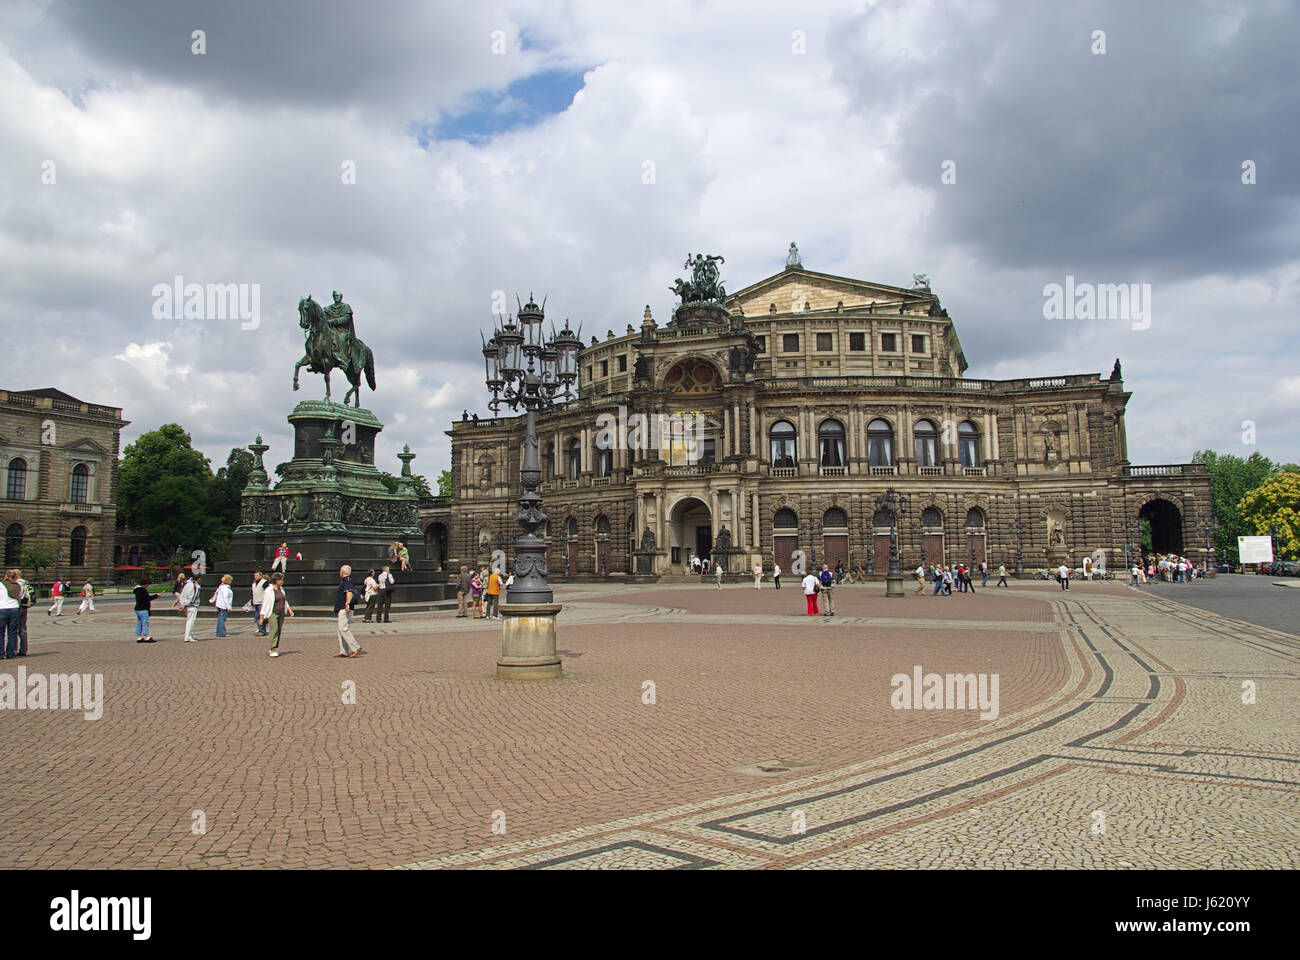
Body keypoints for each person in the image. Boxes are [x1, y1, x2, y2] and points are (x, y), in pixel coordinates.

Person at [260, 572, 293, 657]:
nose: (282, 581)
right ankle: (272, 648)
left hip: (281, 612)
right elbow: (265, 604)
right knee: (274, 630)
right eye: (280, 580)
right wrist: (261, 617)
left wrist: (289, 609)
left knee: (279, 630)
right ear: (276, 580)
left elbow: (284, 600)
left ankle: (275, 646)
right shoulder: (269, 590)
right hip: (273, 612)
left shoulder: (281, 589)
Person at [333, 565, 361, 658]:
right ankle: (344, 651)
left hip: (344, 608)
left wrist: (347, 603)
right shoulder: (347, 580)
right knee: (340, 630)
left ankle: (355, 647)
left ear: (342, 572)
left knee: (343, 629)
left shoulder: (347, 581)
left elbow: (349, 592)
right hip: (343, 608)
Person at [133, 578, 164, 642]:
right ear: (145, 584)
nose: (148, 586)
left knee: (140, 623)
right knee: (145, 623)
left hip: (138, 609)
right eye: (147, 584)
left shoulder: (137, 590)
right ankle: (146, 636)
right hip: (143, 609)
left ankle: (139, 637)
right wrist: (156, 595)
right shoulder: (142, 590)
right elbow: (148, 599)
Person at [0, 570, 21, 659]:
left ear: (5, 576)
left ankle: (1, 653)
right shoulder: (17, 586)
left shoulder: (1, 585)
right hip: (14, 608)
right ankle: (10, 653)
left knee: (1, 633)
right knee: (12, 632)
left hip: (2, 609)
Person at [15, 570, 34, 656]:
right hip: (24, 607)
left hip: (17, 607)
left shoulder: (16, 584)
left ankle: (13, 650)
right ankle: (23, 649)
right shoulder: (26, 583)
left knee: (13, 630)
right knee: (23, 629)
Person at [180, 572, 202, 641]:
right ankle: (188, 636)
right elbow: (192, 597)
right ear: (198, 579)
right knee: (190, 622)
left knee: (189, 621)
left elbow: (183, 594)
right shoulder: (195, 586)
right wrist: (185, 604)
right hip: (192, 605)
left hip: (187, 605)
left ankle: (191, 635)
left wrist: (183, 603)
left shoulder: (187, 584)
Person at [250, 571, 270, 636]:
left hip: (262, 602)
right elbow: (253, 593)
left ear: (261, 576)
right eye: (254, 575)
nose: (255, 577)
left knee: (261, 617)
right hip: (256, 602)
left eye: (257, 575)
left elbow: (268, 592)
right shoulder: (254, 583)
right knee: (257, 617)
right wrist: (252, 602)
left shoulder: (264, 582)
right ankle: (260, 629)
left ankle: (262, 630)